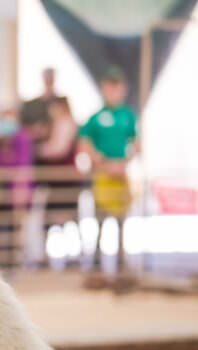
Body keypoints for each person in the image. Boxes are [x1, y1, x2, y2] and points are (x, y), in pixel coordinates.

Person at [78, 67, 138, 288]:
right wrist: (102, 163)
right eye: (109, 85)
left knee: (121, 223)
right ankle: (96, 269)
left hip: (121, 178)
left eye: (117, 85)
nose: (113, 90)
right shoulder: (95, 118)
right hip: (102, 179)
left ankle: (121, 268)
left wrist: (123, 163)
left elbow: (137, 144)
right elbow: (84, 143)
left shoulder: (128, 116)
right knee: (100, 222)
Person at [35, 97, 78, 165]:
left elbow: (60, 150)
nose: (50, 110)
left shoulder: (65, 123)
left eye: (53, 107)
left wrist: (37, 150)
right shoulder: (57, 123)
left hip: (63, 166)